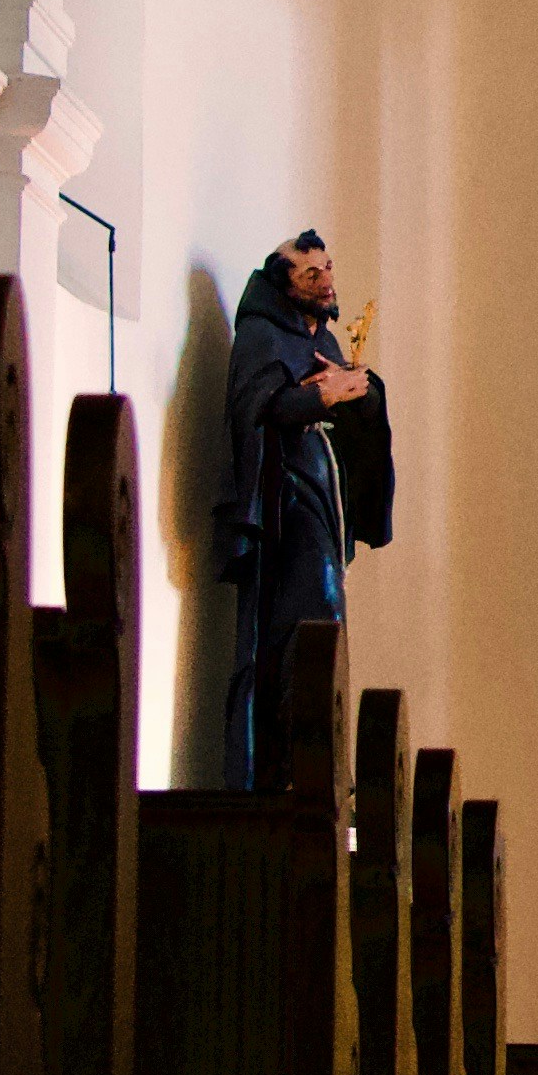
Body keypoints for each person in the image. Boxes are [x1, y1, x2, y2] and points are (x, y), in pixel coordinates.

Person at [216, 228, 391, 786]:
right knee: (303, 621)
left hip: (321, 497)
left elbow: (350, 403)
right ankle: (286, 766)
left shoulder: (318, 338)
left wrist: (361, 391)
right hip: (287, 506)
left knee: (328, 622)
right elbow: (254, 409)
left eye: (330, 270)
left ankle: (318, 763)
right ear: (283, 281)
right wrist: (319, 397)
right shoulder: (262, 335)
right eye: (311, 274)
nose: (327, 283)